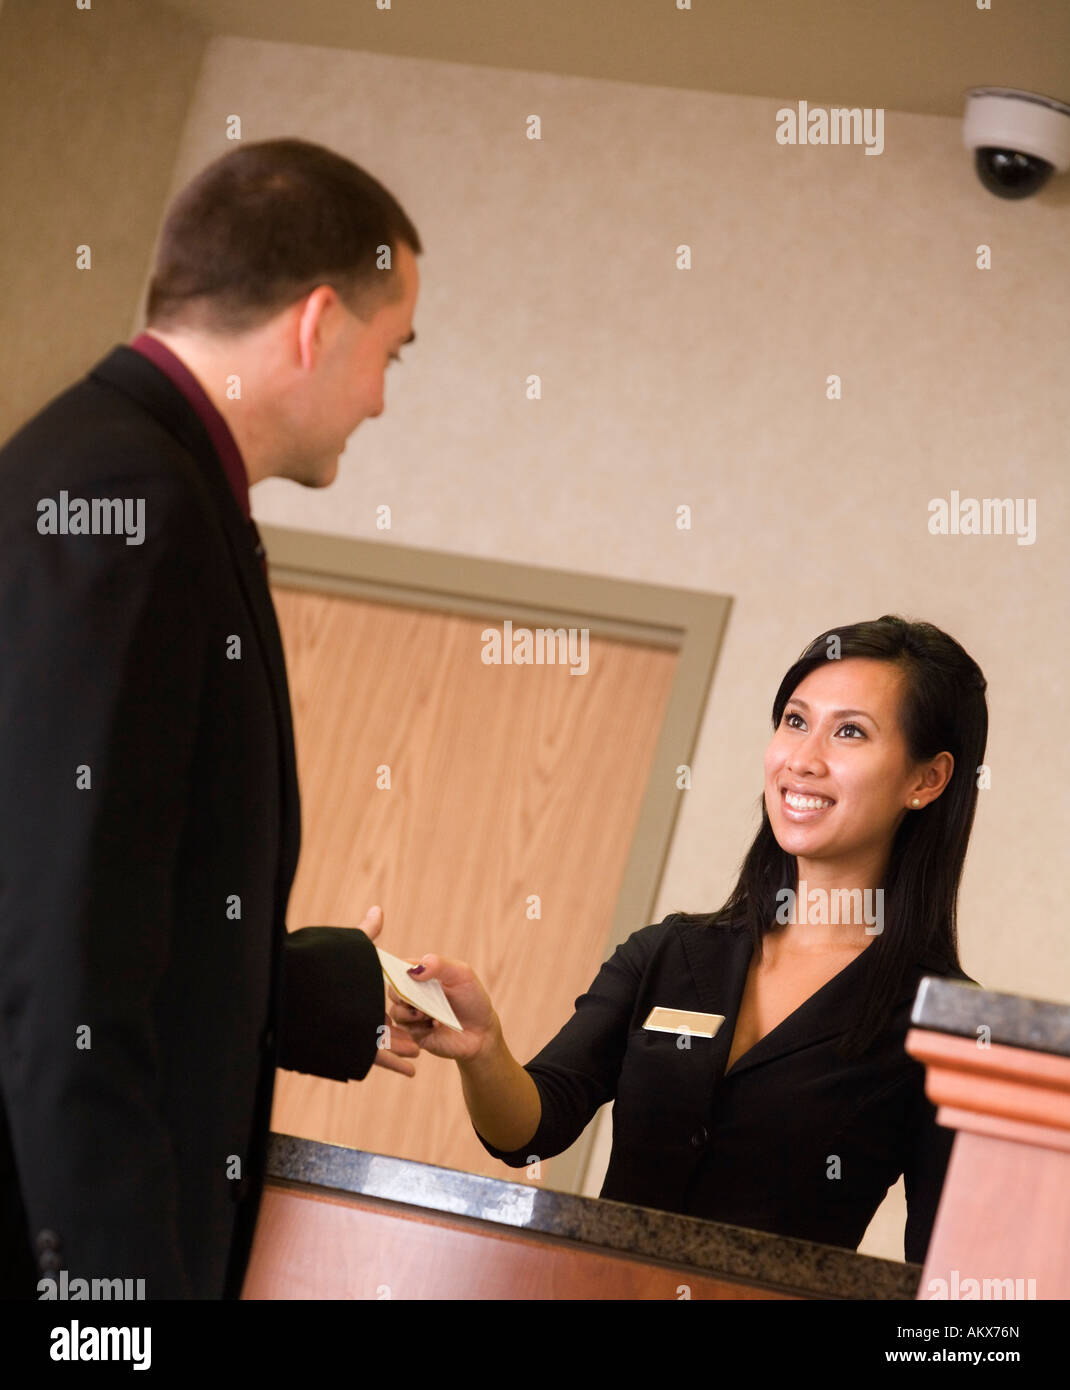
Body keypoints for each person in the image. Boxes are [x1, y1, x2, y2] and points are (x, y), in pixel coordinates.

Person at [0, 138, 424, 1298]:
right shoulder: (126, 500)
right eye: (392, 351)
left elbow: (130, 912)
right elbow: (61, 944)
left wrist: (328, 990)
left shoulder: (139, 479)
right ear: (317, 321)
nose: (383, 397)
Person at [391, 616, 987, 1264]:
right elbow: (533, 1130)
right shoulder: (670, 954)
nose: (802, 759)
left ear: (925, 780)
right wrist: (483, 1049)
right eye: (794, 720)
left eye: (849, 731)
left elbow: (948, 1279)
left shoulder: (945, 1025)